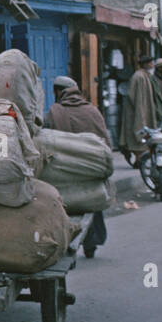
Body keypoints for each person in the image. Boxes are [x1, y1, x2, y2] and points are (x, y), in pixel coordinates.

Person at [44, 75, 113, 257]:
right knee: (92, 202)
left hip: (65, 171)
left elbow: (49, 140)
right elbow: (104, 142)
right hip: (91, 169)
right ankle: (91, 244)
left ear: (58, 92)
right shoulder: (92, 110)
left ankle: (67, 242)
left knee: (63, 206)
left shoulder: (55, 111)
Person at [118, 53, 159, 164]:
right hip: (138, 111)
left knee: (143, 135)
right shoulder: (139, 76)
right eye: (150, 63)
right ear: (145, 64)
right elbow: (138, 99)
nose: (152, 65)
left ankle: (139, 160)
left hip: (142, 110)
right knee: (137, 134)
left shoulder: (145, 75)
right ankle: (137, 159)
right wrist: (141, 113)